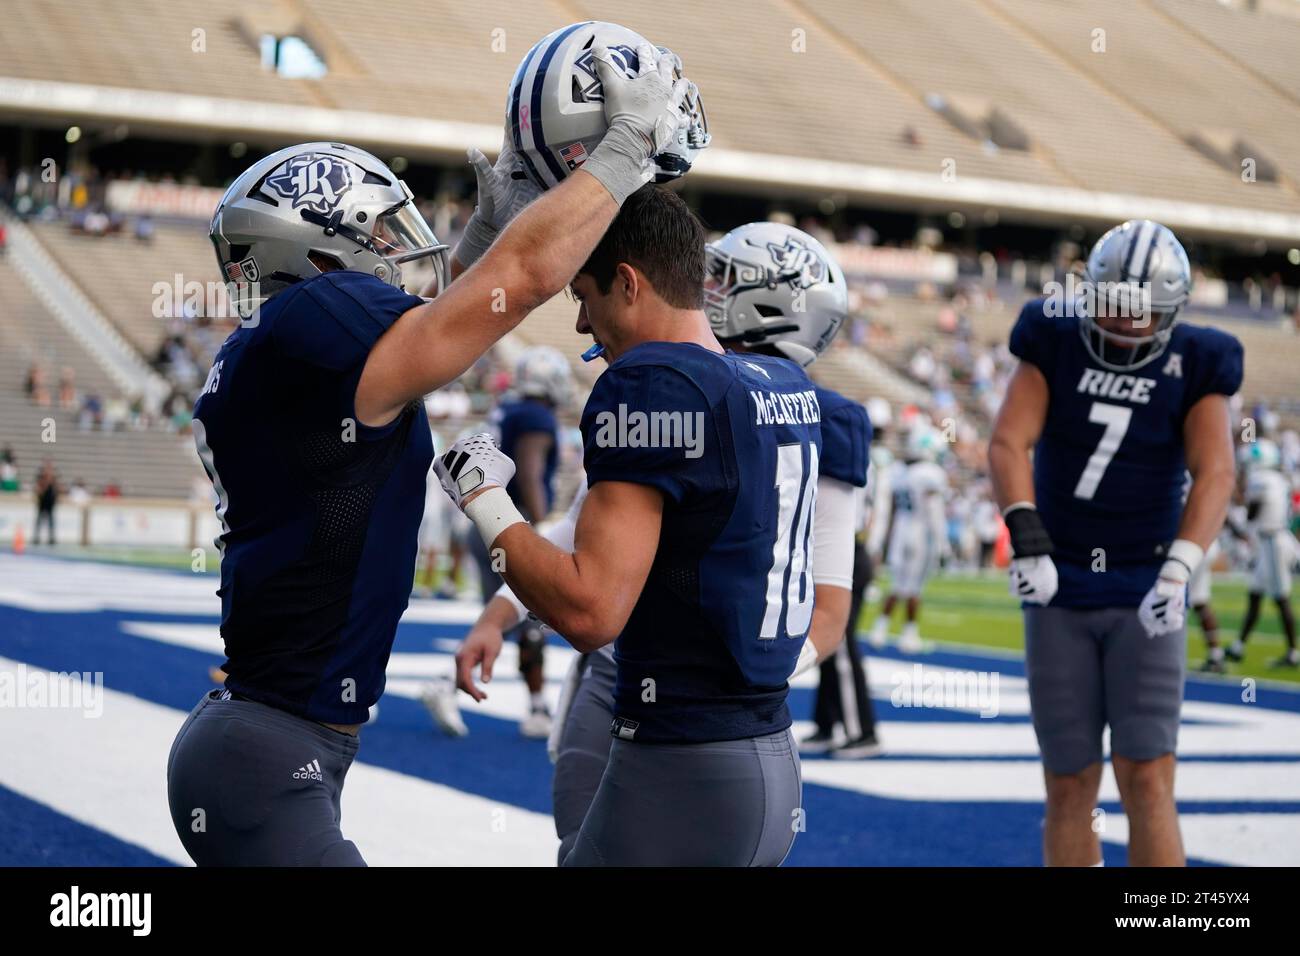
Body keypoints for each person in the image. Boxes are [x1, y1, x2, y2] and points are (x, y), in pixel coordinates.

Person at [167, 42, 694, 867]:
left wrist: (489, 229)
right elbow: (507, 287)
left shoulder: (288, 350)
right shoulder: (315, 322)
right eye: (378, 231)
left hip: (263, 748)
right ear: (317, 256)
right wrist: (624, 149)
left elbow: (442, 326)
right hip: (266, 757)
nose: (402, 248)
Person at [442, 186, 813, 866]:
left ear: (629, 283)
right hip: (770, 756)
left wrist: (484, 497)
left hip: (682, 764)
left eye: (584, 295)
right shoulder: (776, 382)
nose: (583, 324)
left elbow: (589, 610)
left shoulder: (652, 382)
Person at [988, 219, 1241, 867]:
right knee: (1069, 782)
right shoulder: (1053, 336)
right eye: (1114, 308)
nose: (1127, 325)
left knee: (1148, 777)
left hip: (1147, 586)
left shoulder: (1201, 358)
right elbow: (1009, 441)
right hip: (1060, 582)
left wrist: (1181, 569)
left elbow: (1215, 471)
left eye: (1143, 313)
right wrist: (1028, 538)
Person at [471, 346, 573, 737]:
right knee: (528, 617)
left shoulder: (509, 409)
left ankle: (535, 706)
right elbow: (530, 475)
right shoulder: (535, 417)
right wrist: (542, 520)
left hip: (486, 521)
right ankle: (536, 708)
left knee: (504, 616)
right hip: (509, 524)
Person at [869, 422, 949, 653]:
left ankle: (879, 629)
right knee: (914, 589)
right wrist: (943, 546)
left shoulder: (900, 471)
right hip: (919, 533)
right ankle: (909, 634)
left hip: (900, 531)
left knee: (897, 585)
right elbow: (934, 513)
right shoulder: (931, 474)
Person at [1225, 440, 1297, 667]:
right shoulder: (1277, 479)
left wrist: (1239, 498)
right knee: (1255, 595)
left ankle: (1293, 653)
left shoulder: (1261, 479)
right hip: (1273, 540)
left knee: (1281, 599)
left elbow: (1252, 514)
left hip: (1272, 542)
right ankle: (1238, 646)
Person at [33, 460, 59, 545]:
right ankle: (36, 537)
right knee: (39, 520)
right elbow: (38, 490)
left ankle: (51, 538)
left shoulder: (53, 479)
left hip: (50, 503)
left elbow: (56, 489)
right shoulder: (41, 478)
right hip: (42, 502)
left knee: (51, 521)